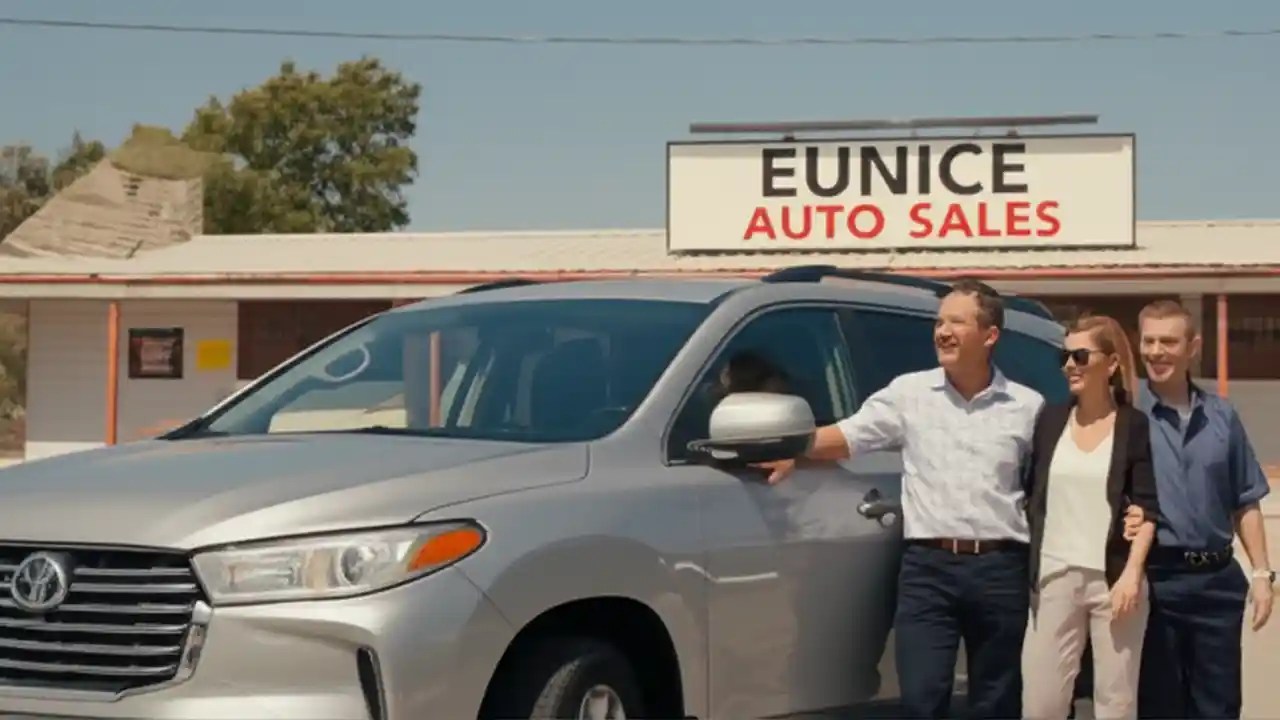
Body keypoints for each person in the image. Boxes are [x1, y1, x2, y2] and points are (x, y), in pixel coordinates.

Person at [758, 279, 1043, 719]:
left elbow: (1051, 484)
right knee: (921, 698)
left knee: (996, 704)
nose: (942, 332)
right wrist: (792, 448)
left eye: (956, 322)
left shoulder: (1028, 407)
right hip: (928, 571)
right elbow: (849, 436)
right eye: (939, 321)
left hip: (1001, 571)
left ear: (990, 336)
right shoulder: (909, 394)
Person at [1132, 299, 1274, 719]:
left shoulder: (1222, 416)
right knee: (1159, 707)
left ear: (1192, 346)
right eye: (1149, 340)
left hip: (1217, 583)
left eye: (1169, 341)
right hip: (1156, 583)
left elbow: (1245, 499)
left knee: (1218, 707)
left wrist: (1263, 573)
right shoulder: (1127, 415)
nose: (1157, 351)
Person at [1021, 315, 1159, 720]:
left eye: (1080, 355)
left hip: (1113, 581)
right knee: (1041, 705)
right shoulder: (1050, 421)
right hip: (1053, 579)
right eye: (1065, 356)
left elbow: (1148, 506)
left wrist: (1132, 574)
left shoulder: (1133, 426)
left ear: (1112, 364)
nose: (1069, 365)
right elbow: (1033, 496)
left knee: (1115, 704)